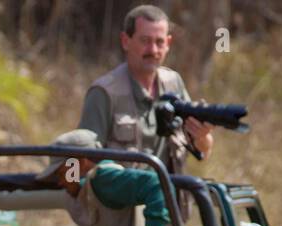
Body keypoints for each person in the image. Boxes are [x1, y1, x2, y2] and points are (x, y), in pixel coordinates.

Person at [77, 4, 214, 176]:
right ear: (125, 41)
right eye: (145, 41)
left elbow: (202, 151)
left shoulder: (174, 84)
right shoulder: (104, 92)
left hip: (169, 200)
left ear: (168, 43)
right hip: (122, 201)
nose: (153, 50)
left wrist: (202, 136)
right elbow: (81, 162)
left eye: (159, 42)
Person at [40, 128, 173, 226]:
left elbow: (156, 183)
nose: (60, 182)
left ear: (79, 162)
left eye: (62, 173)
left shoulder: (103, 180)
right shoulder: (85, 190)